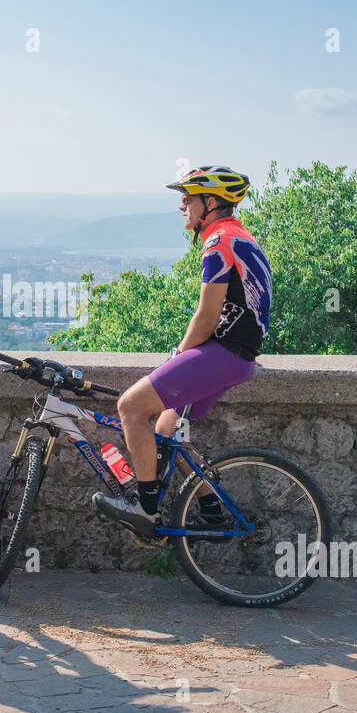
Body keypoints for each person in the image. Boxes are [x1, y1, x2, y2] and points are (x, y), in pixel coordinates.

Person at [92, 166, 272, 537]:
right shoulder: (236, 235)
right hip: (236, 356)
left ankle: (145, 508)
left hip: (222, 353)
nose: (182, 206)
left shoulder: (219, 240)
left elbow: (206, 317)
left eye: (187, 198)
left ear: (211, 202)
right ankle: (211, 508)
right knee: (168, 428)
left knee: (130, 406)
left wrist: (177, 358)